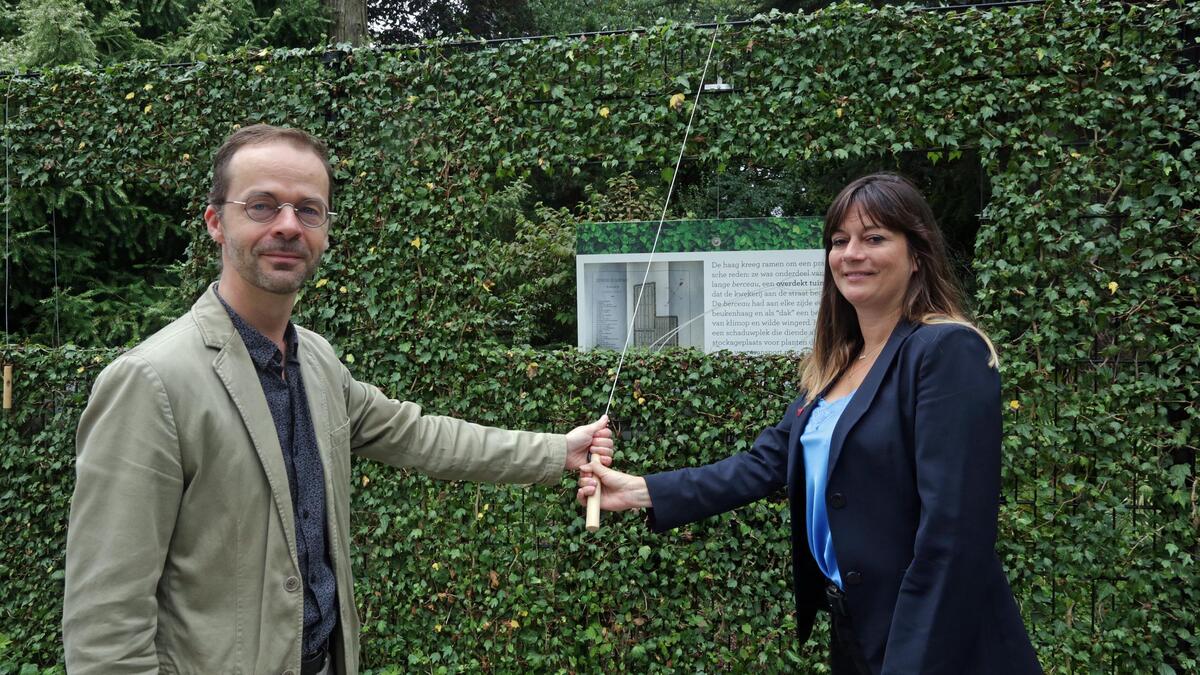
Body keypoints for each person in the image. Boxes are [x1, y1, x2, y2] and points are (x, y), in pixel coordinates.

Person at [62, 124, 614, 675]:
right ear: (215, 222)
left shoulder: (318, 362)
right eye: (262, 205)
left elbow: (420, 436)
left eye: (309, 210)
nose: (287, 226)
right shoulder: (151, 382)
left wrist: (557, 452)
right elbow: (105, 630)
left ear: (325, 230)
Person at [578, 173, 1041, 674]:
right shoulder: (837, 363)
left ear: (917, 254)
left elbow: (952, 537)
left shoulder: (946, 350)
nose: (851, 254)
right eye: (839, 241)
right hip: (856, 630)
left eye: (875, 238)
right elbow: (765, 463)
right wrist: (639, 489)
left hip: (935, 642)